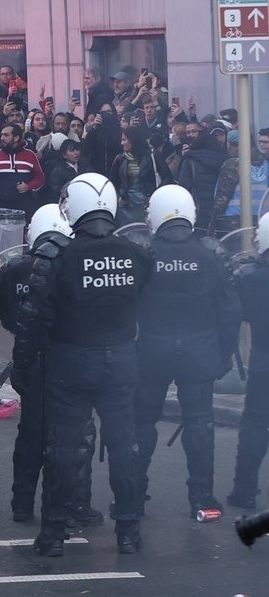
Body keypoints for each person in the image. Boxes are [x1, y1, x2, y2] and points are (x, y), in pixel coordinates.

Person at [17, 173, 153, 556]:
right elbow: (147, 303)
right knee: (125, 446)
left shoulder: (59, 257)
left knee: (64, 448)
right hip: (122, 359)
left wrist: (24, 367)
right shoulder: (137, 254)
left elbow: (34, 320)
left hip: (71, 362)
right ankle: (128, 532)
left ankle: (54, 535)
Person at [133, 185, 239, 518]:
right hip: (200, 347)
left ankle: (133, 495)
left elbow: (126, 306)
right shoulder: (211, 251)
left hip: (153, 349)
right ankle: (203, 499)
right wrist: (225, 354)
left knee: (143, 422)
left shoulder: (144, 252)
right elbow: (229, 309)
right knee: (200, 423)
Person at [0, 206, 99, 526]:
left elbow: (7, 316)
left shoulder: (14, 270)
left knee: (30, 435)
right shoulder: (74, 265)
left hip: (31, 359)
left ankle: (22, 503)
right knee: (76, 434)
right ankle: (76, 504)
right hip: (69, 359)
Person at [230, 211, 269, 509]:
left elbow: (238, 312)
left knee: (255, 424)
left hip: (263, 362)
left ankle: (244, 490)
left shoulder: (251, 276)